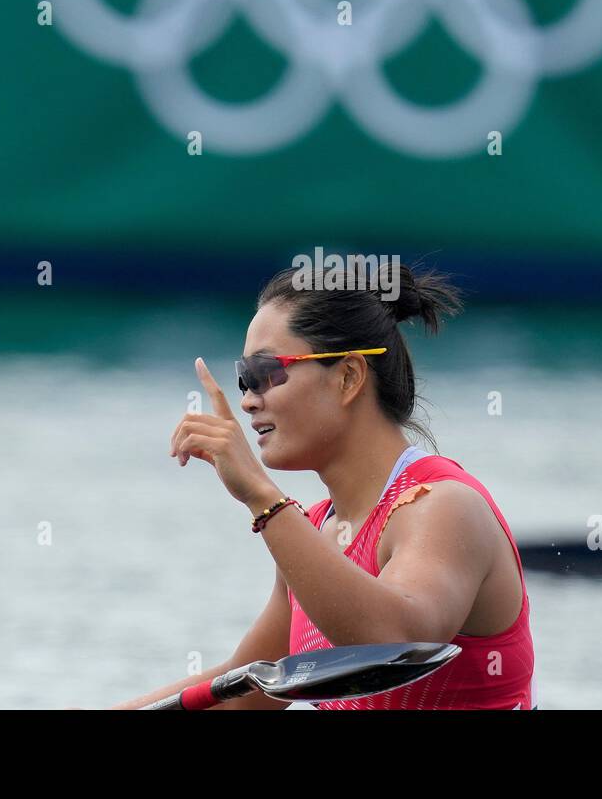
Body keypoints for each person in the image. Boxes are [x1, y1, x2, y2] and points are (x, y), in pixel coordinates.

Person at [113, 261, 536, 709]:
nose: (247, 399)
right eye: (244, 377)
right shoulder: (312, 533)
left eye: (267, 372)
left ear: (349, 377)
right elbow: (239, 699)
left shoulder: (444, 506)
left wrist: (261, 495)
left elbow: (393, 644)